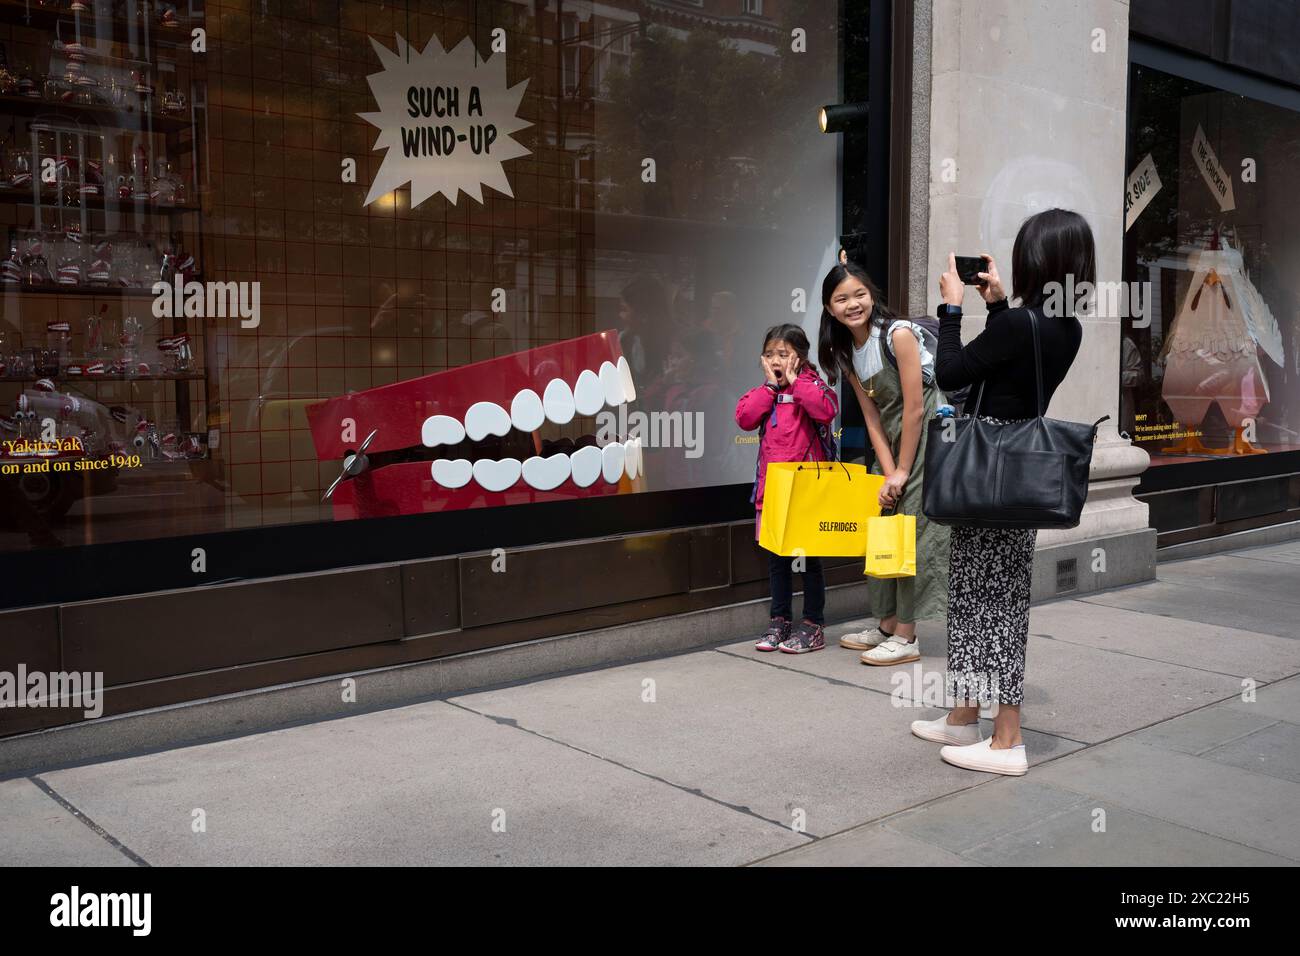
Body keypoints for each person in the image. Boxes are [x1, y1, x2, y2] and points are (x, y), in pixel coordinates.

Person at [915, 207, 1090, 776]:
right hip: (1016, 473)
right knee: (977, 595)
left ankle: (1007, 738)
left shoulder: (1021, 326)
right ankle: (965, 714)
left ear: (1034, 260)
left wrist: (950, 308)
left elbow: (951, 373)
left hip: (987, 468)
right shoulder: (1066, 326)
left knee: (994, 605)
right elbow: (1013, 371)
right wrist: (994, 304)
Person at [817, 260, 951, 665]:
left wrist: (903, 470)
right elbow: (871, 417)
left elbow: (914, 409)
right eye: (842, 299)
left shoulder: (899, 335)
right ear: (829, 308)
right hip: (892, 442)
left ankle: (908, 635)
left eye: (859, 294)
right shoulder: (846, 352)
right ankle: (887, 623)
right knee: (884, 526)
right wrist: (888, 468)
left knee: (915, 532)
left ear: (872, 295)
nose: (853, 304)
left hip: (927, 437)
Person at [735, 323, 838, 654]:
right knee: (777, 561)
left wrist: (796, 382)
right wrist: (769, 387)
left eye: (784, 354)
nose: (776, 360)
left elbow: (826, 410)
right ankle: (779, 620)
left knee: (808, 561)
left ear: (801, 357)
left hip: (806, 492)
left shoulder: (812, 386)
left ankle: (812, 624)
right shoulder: (766, 393)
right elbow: (745, 418)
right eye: (770, 354)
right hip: (772, 492)